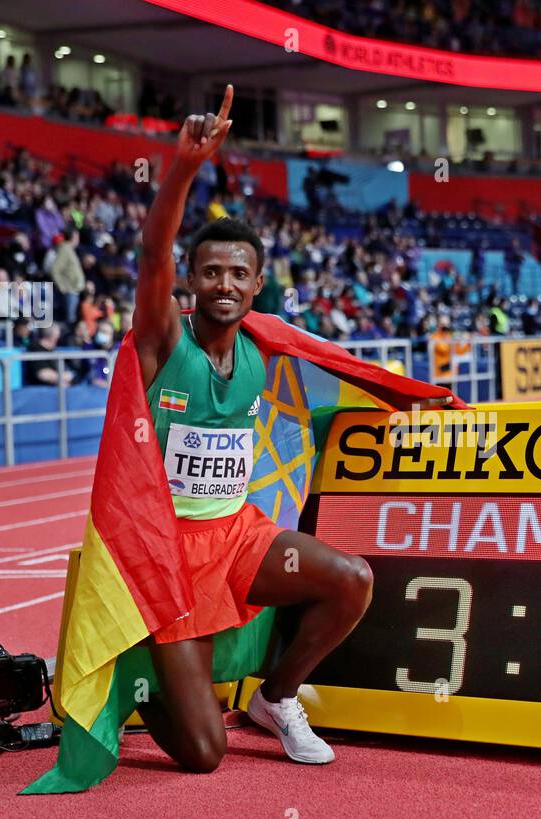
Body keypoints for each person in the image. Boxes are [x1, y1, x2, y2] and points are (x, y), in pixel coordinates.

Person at [128, 86, 382, 770]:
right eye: (210, 271)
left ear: (258, 280)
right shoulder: (161, 338)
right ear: (192, 278)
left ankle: (276, 698)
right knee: (204, 756)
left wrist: (416, 404)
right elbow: (153, 254)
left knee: (351, 578)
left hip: (236, 536)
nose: (224, 284)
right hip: (169, 558)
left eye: (238, 273)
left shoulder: (262, 345)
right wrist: (182, 167)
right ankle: (142, 673)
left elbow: (343, 366)